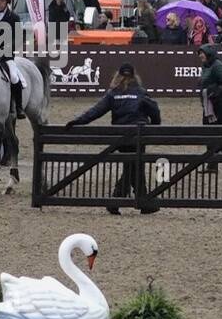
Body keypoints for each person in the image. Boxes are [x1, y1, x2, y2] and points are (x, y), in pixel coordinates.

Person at [65, 63, 161, 215]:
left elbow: (96, 111)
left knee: (133, 166)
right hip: (138, 135)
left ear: (118, 76)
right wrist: (155, 127)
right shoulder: (141, 92)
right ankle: (122, 200)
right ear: (134, 76)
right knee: (135, 166)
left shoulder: (113, 94)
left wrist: (77, 121)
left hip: (120, 137)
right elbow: (154, 110)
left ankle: (138, 201)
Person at [198, 44, 222, 172]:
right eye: (199, 53)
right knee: (210, 133)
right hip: (210, 105)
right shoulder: (206, 66)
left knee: (214, 133)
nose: (200, 55)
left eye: (202, 53)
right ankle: (218, 161)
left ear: (208, 53)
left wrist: (214, 94)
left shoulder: (218, 65)